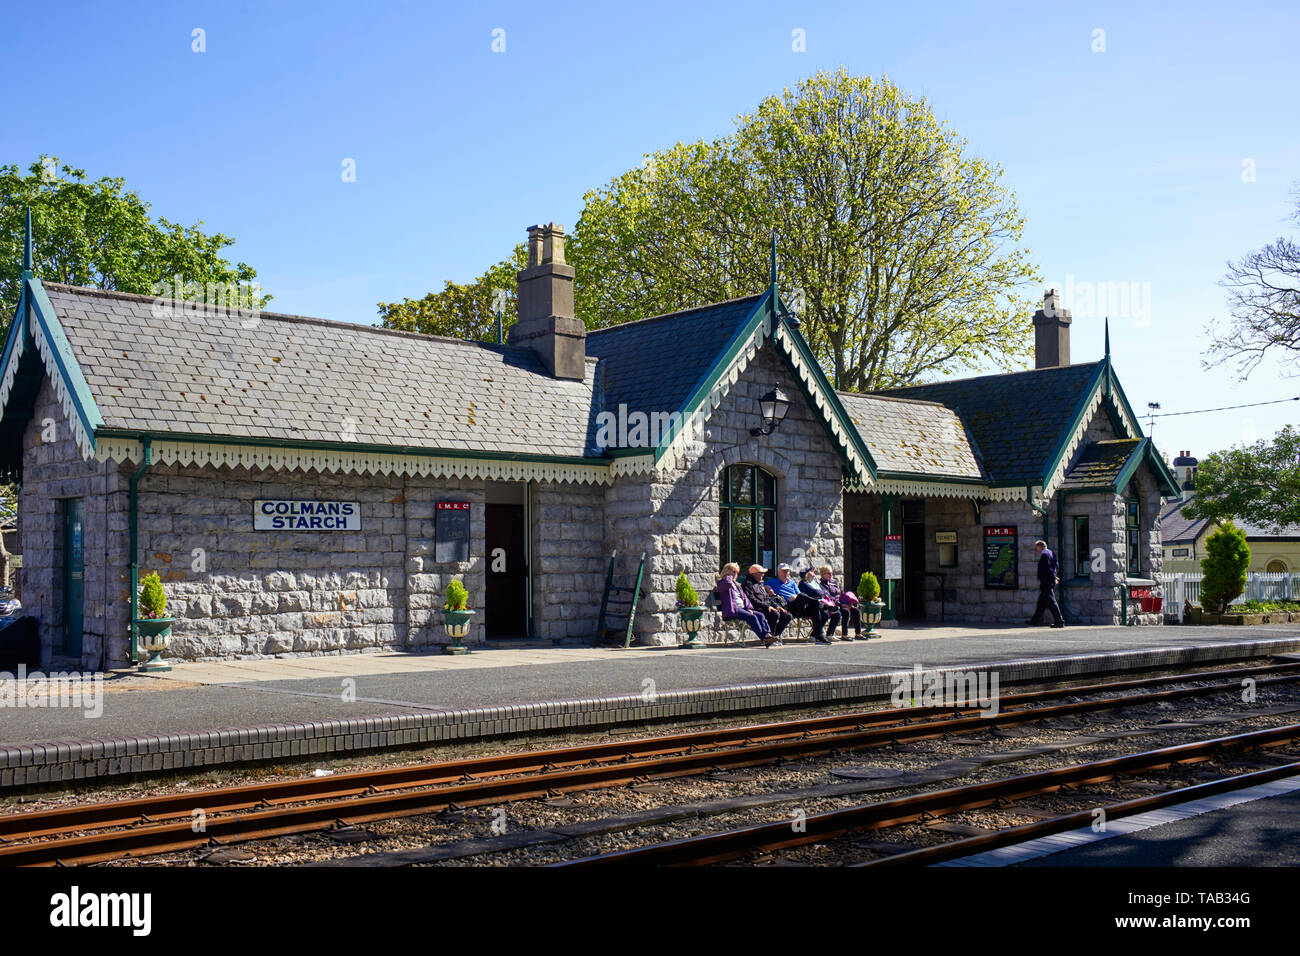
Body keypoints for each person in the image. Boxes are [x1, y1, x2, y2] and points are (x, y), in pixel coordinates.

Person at [765, 563, 833, 643]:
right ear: (778, 572)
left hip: (798, 606)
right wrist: (767, 588)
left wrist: (795, 596)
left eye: (787, 571)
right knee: (803, 596)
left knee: (817, 610)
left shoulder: (792, 583)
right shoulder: (772, 582)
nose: (786, 573)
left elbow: (798, 594)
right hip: (787, 606)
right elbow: (761, 586)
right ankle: (823, 606)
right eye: (783, 571)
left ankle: (818, 635)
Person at [716, 562, 779, 647]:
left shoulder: (737, 585)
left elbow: (745, 598)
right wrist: (728, 577)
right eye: (733, 572)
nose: (735, 574)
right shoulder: (722, 583)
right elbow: (728, 584)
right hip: (733, 609)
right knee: (751, 617)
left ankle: (768, 635)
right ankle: (764, 639)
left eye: (736, 572)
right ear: (727, 572)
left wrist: (749, 608)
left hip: (742, 609)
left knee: (760, 615)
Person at [740, 563, 792, 640]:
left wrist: (776, 606)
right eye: (761, 573)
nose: (763, 574)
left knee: (787, 615)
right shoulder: (747, 584)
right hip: (757, 608)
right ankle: (769, 638)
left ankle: (773, 635)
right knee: (774, 614)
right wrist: (767, 606)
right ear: (755, 574)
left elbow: (767, 598)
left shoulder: (760, 583)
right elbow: (750, 599)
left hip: (766, 607)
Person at [818, 565, 863, 640]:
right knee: (845, 612)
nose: (831, 575)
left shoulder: (834, 583)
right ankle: (844, 635)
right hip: (834, 606)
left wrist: (848, 602)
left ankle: (858, 634)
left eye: (831, 573)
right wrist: (842, 605)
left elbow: (841, 594)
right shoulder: (822, 585)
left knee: (856, 611)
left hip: (842, 603)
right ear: (822, 574)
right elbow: (828, 598)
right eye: (828, 573)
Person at [1028, 540, 1066, 628]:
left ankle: (1059, 621)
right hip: (1049, 581)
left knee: (1052, 602)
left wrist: (1053, 577)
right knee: (1041, 602)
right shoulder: (1051, 553)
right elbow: (1056, 565)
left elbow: (1047, 568)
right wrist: (1054, 575)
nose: (1036, 550)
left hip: (1046, 581)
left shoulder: (1045, 555)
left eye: (1037, 548)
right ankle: (1035, 620)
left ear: (1041, 547)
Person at [799, 569, 840, 644]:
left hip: (817, 605)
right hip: (807, 607)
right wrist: (822, 593)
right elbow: (815, 592)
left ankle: (815, 635)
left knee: (830, 614)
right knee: (822, 613)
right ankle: (819, 635)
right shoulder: (803, 584)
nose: (814, 574)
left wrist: (822, 593)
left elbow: (825, 592)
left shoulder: (814, 582)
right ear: (806, 574)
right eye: (811, 572)